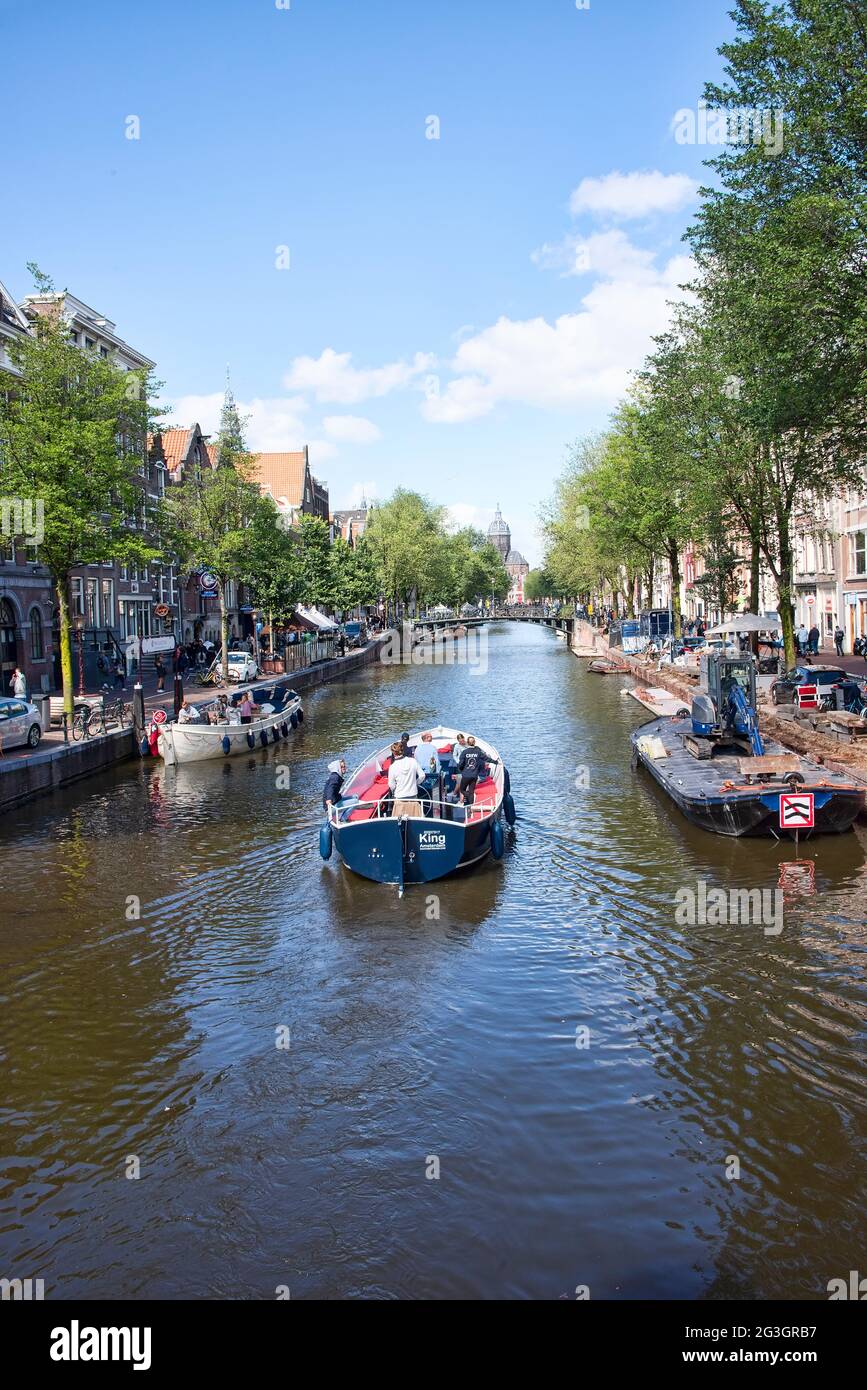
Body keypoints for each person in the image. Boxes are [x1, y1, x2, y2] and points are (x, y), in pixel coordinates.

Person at [387, 740, 424, 817]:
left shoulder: (393, 767)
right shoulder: (412, 761)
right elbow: (422, 776)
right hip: (413, 797)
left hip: (400, 798)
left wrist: (395, 789)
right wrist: (415, 783)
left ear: (393, 753)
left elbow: (391, 785)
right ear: (403, 750)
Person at [456, 735, 486, 806]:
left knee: (462, 784)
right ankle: (469, 801)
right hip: (475, 774)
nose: (462, 741)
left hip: (475, 774)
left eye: (463, 740)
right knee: (468, 788)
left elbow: (462, 763)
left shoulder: (467, 751)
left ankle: (462, 800)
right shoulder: (477, 752)